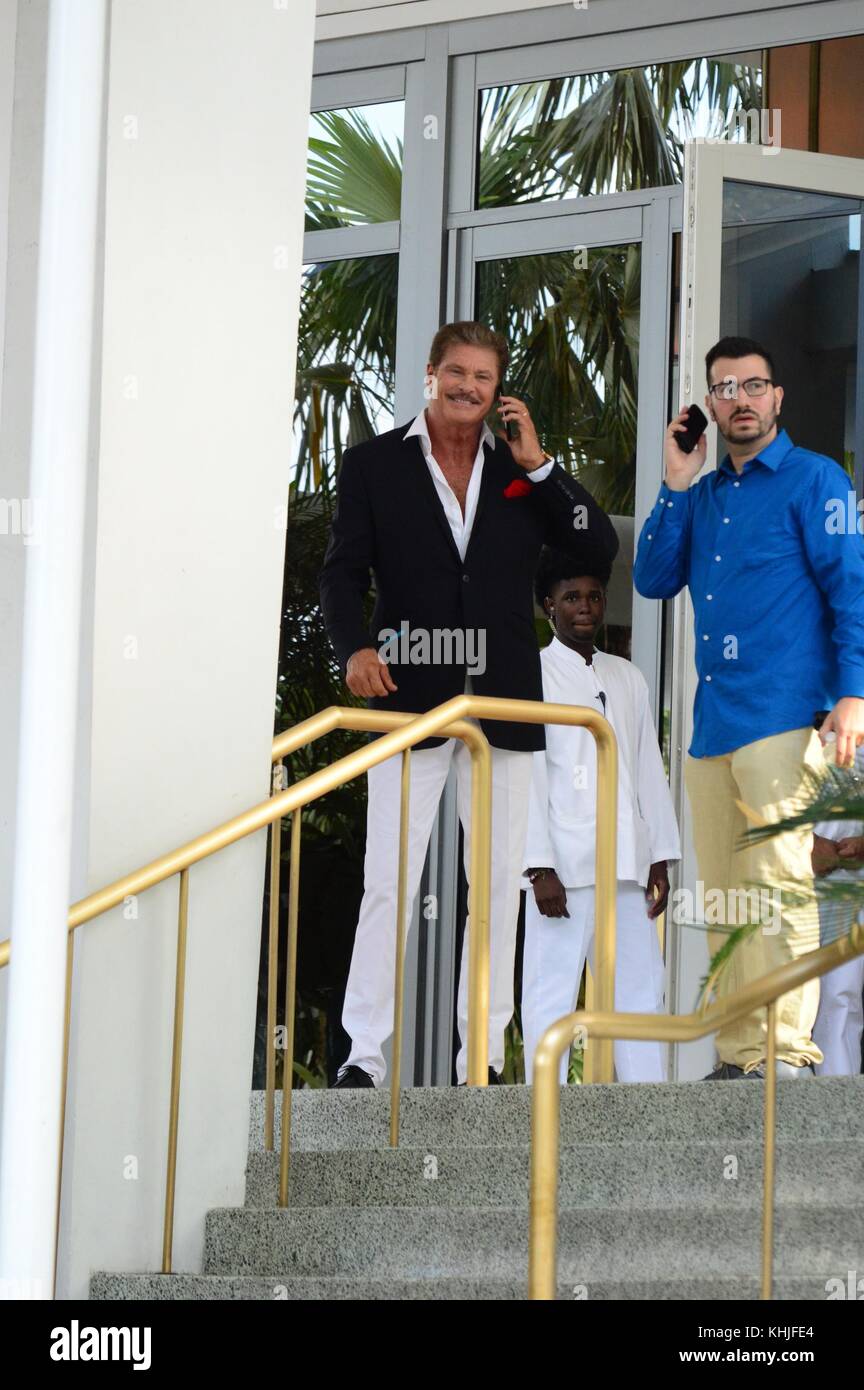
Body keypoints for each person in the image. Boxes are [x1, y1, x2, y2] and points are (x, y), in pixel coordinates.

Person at [319, 321, 619, 1087]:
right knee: (388, 881)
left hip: (504, 704)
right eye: (456, 373)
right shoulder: (374, 466)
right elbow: (342, 573)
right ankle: (364, 1057)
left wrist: (543, 465)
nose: (468, 389)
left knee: (495, 891)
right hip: (407, 696)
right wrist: (354, 646)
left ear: (498, 390)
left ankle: (480, 1059)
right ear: (430, 375)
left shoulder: (522, 477)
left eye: (483, 378)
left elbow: (596, 547)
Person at [633, 335, 864, 1081]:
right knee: (728, 900)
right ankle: (741, 1056)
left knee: (780, 883)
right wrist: (673, 481)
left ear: (778, 398)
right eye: (724, 388)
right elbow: (650, 579)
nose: (740, 400)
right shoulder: (698, 498)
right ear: (709, 404)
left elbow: (853, 592)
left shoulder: (816, 480)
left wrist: (855, 696)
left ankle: (784, 1054)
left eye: (753, 386)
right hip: (714, 729)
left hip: (786, 716)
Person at [521, 548, 680, 1084]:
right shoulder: (531, 674)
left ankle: (648, 1117)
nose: (584, 607)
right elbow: (527, 776)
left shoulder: (627, 676)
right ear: (550, 607)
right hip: (562, 870)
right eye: (571, 598)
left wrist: (658, 854)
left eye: (592, 596)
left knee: (640, 995)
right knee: (551, 997)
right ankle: (542, 1117)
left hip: (627, 866)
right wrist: (539, 866)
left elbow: (646, 770)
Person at [811, 742, 864, 1076]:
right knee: (782, 997)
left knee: (841, 996)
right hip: (782, 873)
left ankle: (840, 1110)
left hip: (850, 877)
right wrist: (803, 845)